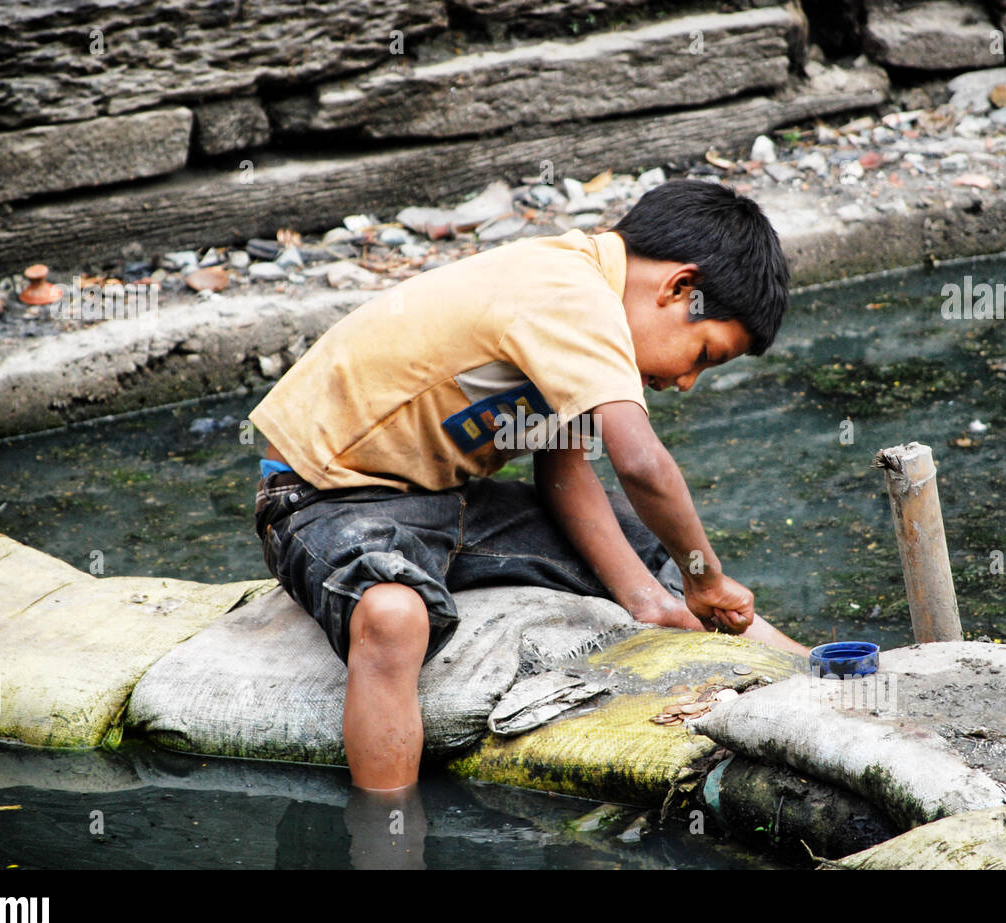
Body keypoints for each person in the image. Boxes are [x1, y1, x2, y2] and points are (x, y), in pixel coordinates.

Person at [250, 178, 807, 793]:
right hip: (323, 496)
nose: (686, 383)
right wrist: (704, 576)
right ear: (679, 290)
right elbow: (642, 463)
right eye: (704, 355)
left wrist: (649, 599)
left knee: (648, 546)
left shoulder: (578, 304)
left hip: (444, 501)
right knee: (392, 614)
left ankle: (817, 675)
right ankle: (387, 836)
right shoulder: (573, 294)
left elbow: (564, 473)